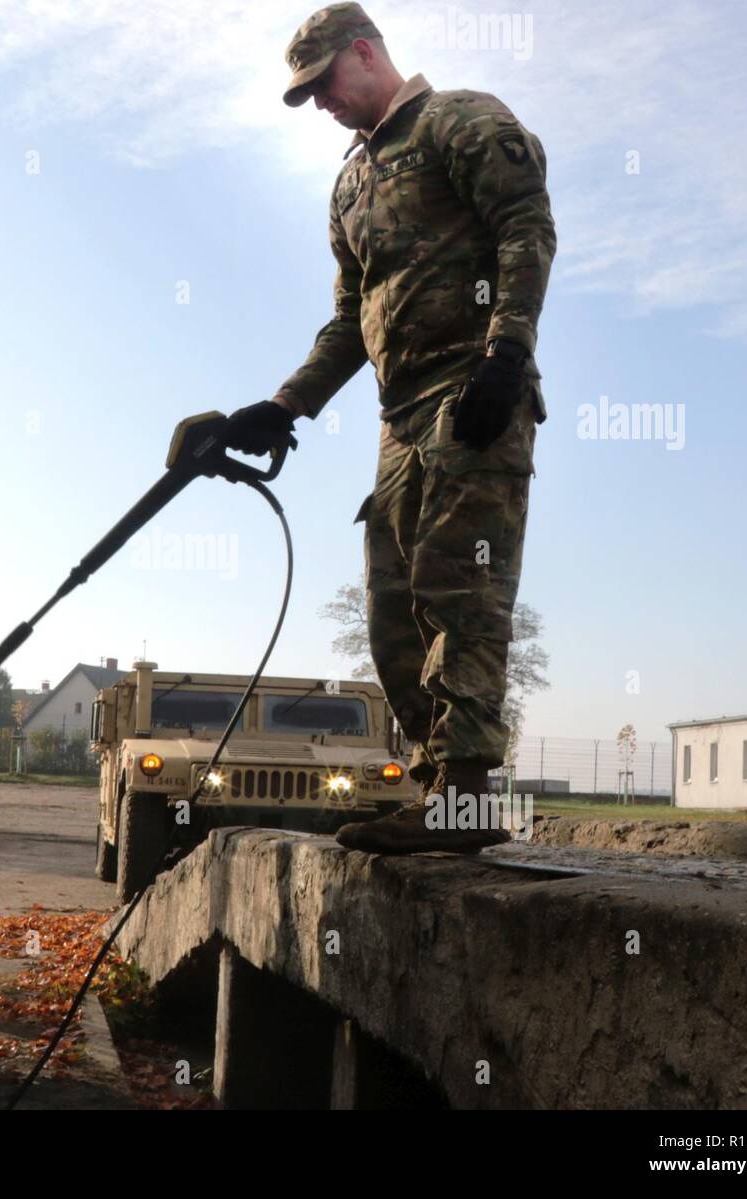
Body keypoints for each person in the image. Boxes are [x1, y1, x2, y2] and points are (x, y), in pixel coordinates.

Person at [223, 3, 556, 854]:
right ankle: (436, 789)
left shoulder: (460, 120)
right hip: (399, 414)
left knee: (460, 595)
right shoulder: (349, 185)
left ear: (364, 53)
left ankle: (470, 795)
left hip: (473, 387)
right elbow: (348, 322)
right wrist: (285, 403)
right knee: (390, 611)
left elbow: (526, 229)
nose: (322, 104)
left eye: (325, 83)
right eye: (307, 96)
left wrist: (507, 353)